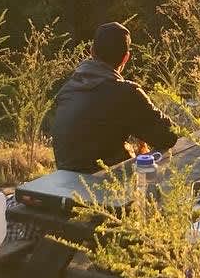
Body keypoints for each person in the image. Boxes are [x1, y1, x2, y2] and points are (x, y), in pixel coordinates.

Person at [47, 21, 179, 173]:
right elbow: (169, 135)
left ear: (91, 51)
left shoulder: (67, 90)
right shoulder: (126, 93)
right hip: (106, 186)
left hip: (64, 183)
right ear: (125, 58)